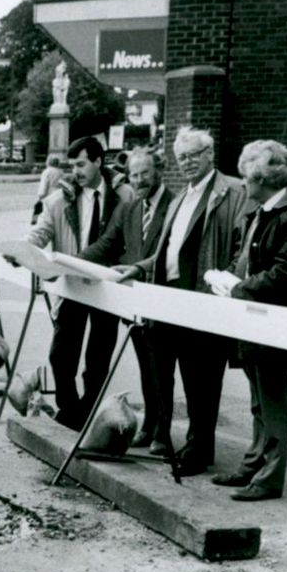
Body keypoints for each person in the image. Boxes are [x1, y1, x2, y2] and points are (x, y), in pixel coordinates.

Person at [110, 125, 247, 475]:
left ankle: (199, 451)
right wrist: (139, 269)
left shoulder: (231, 191)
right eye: (181, 157)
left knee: (204, 380)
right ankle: (189, 445)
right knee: (184, 376)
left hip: (204, 301)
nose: (186, 163)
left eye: (193, 156)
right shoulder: (183, 197)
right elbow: (163, 251)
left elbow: (240, 248)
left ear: (209, 155)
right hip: (171, 300)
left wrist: (223, 284)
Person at [204, 140, 287, 502]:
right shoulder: (262, 212)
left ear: (263, 178)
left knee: (272, 399)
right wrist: (226, 276)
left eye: (246, 178)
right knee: (259, 398)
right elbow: (245, 258)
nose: (243, 185)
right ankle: (255, 462)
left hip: (277, 324)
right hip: (254, 321)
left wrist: (237, 286)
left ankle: (269, 476)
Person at [25, 135, 123, 429]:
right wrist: (25, 249)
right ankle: (69, 409)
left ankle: (88, 411)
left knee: (98, 357)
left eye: (81, 164)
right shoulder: (59, 199)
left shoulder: (122, 196)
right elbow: (41, 231)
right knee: (61, 354)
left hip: (108, 289)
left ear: (98, 161)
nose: (76, 171)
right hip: (71, 285)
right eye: (72, 165)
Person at [81, 147, 174, 451]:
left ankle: (162, 431)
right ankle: (149, 425)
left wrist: (139, 269)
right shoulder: (129, 208)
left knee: (162, 369)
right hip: (135, 306)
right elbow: (107, 244)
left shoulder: (175, 205)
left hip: (162, 302)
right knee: (146, 367)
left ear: (158, 171)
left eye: (145, 173)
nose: (139, 180)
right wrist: (70, 263)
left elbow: (167, 254)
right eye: (133, 175)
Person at [31, 154, 65, 223]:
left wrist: (40, 196)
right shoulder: (60, 172)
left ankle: (36, 221)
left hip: (48, 196)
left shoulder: (47, 172)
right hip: (59, 196)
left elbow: (44, 185)